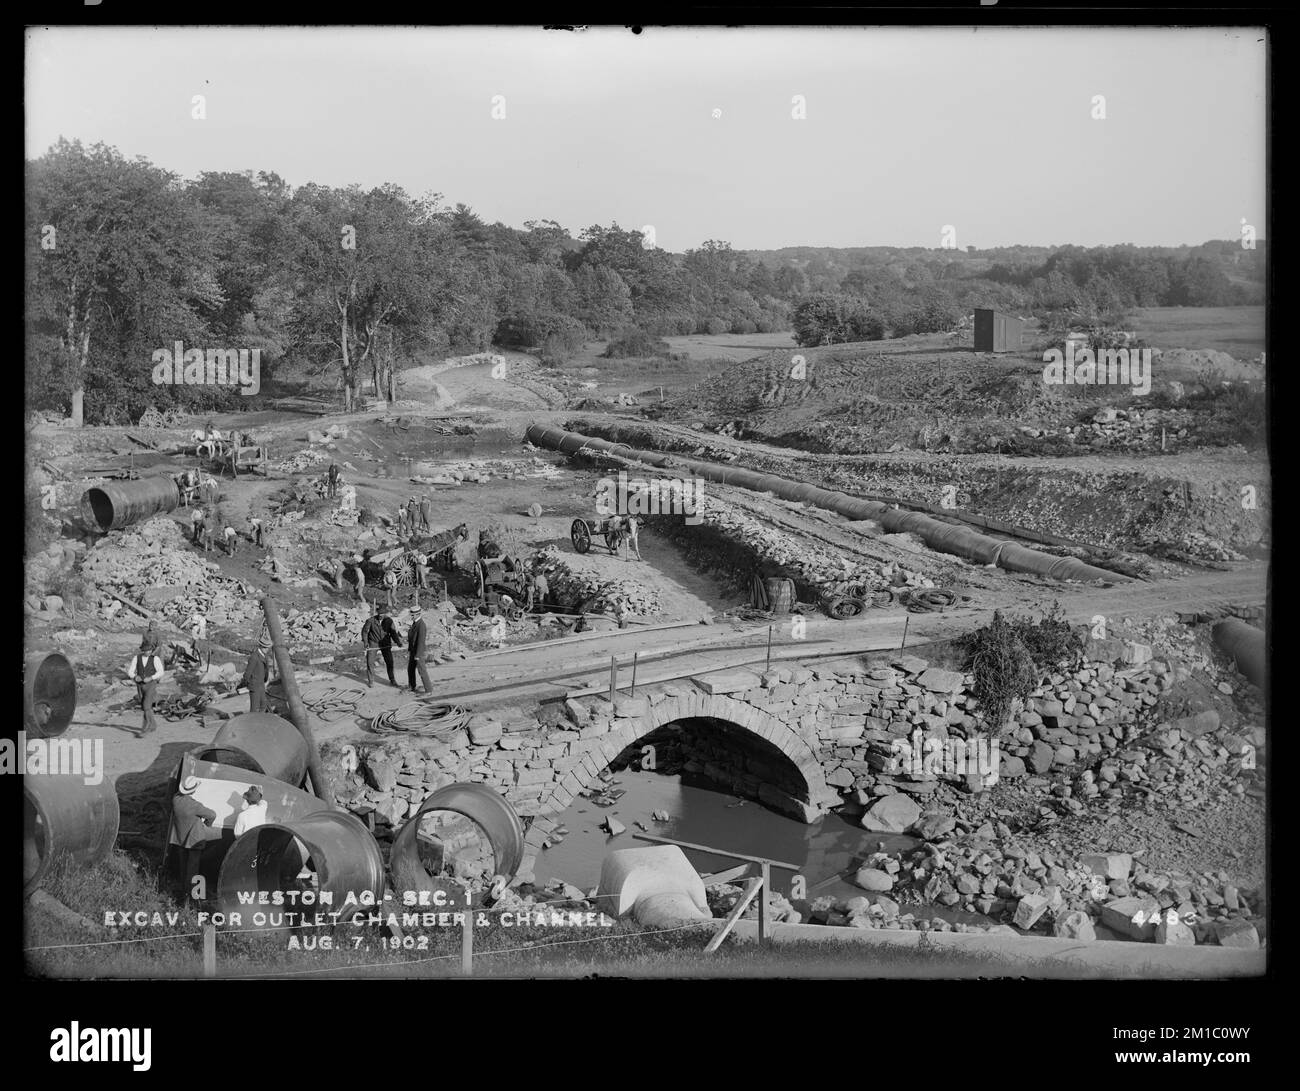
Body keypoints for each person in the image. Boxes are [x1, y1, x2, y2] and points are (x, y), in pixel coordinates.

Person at [173, 774, 222, 903]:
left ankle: (183, 889)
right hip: (194, 840)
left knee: (183, 866)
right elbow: (212, 814)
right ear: (193, 790)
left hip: (180, 837)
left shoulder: (176, 799)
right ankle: (191, 895)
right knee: (193, 868)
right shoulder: (195, 805)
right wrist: (206, 825)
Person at [126, 638, 164, 735]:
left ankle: (145, 728)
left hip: (151, 685)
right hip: (140, 685)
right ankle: (153, 724)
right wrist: (135, 676)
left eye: (149, 650)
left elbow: (161, 672)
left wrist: (151, 677)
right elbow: (130, 671)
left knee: (146, 705)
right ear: (142, 650)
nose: (148, 652)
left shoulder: (155, 659)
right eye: (146, 650)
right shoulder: (137, 658)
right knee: (145, 706)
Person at [241, 635, 273, 713]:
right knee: (254, 708)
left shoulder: (264, 655)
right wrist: (246, 683)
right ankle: (253, 723)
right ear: (261, 646)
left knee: (263, 704)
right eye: (265, 647)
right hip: (254, 686)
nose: (267, 649)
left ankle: (260, 721)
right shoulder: (254, 657)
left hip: (261, 684)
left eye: (268, 647)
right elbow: (247, 673)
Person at [406, 605, 433, 694]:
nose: (412, 617)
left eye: (413, 615)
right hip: (413, 650)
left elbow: (421, 641)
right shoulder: (415, 623)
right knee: (410, 669)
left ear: (418, 614)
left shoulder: (421, 625)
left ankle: (428, 690)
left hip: (418, 652)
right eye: (411, 615)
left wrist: (418, 655)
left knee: (422, 670)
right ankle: (412, 687)